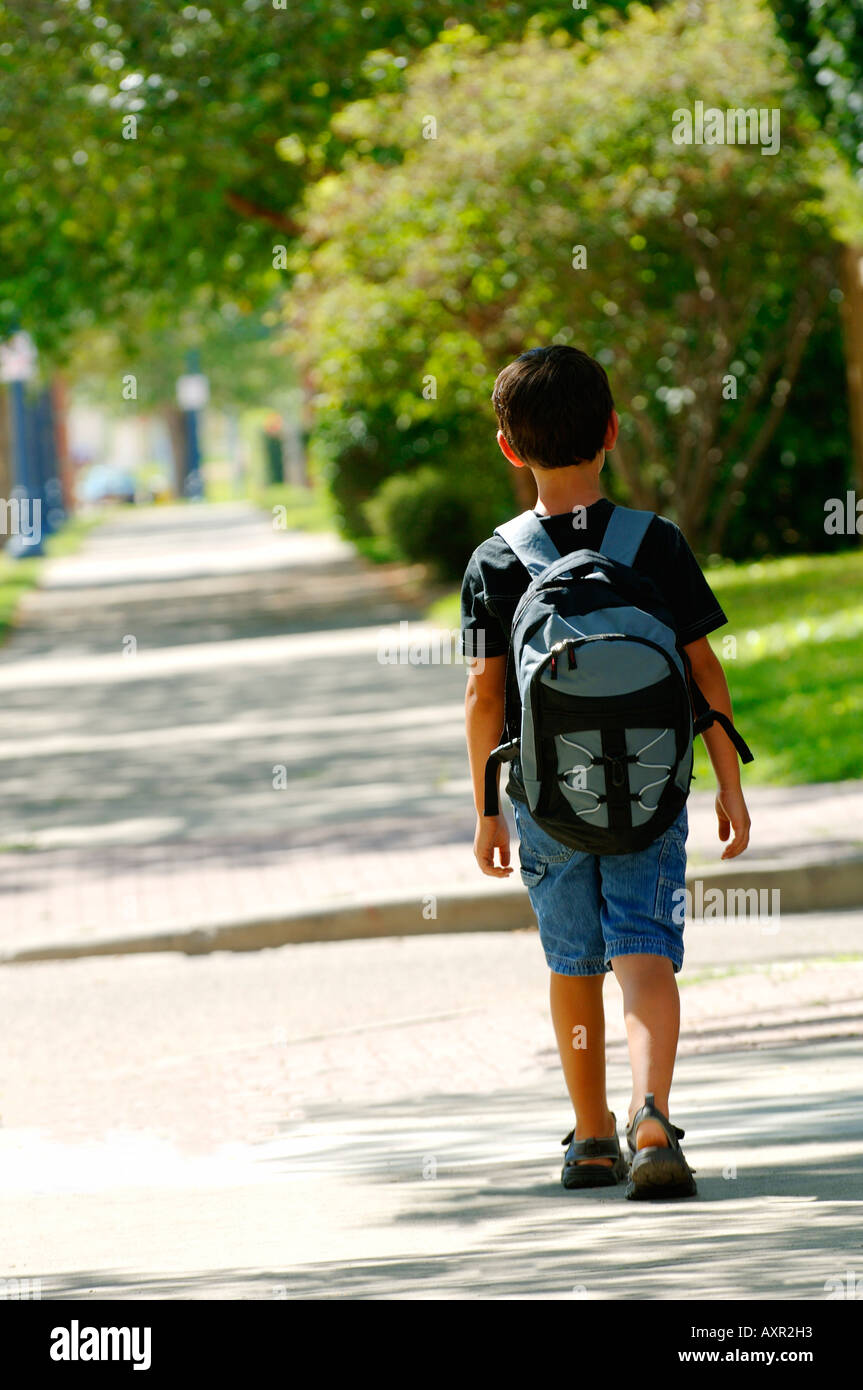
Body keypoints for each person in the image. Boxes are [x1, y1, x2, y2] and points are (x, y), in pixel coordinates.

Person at [460, 345, 751, 1198]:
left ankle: (590, 1137)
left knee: (572, 961)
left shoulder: (496, 560)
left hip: (548, 797)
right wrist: (727, 780)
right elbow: (703, 672)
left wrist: (488, 811)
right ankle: (651, 1115)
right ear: (613, 434)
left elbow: (483, 696)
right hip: (653, 793)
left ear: (510, 448)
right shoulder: (653, 541)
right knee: (645, 950)